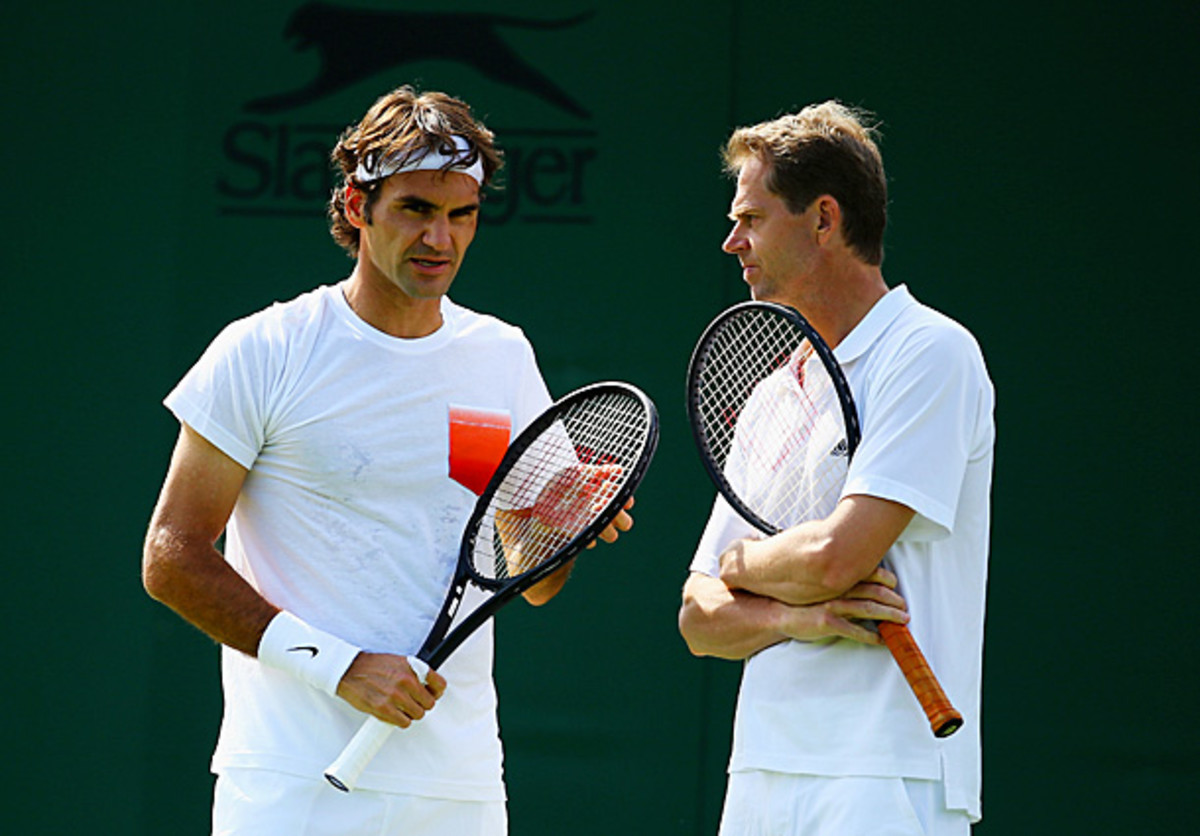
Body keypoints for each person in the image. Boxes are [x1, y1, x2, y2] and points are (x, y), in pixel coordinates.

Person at [142, 85, 633, 836]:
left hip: (457, 791)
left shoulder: (501, 357)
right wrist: (338, 666)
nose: (440, 238)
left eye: (460, 214)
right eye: (415, 209)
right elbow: (172, 557)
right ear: (355, 206)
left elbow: (533, 580)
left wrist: (563, 525)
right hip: (291, 788)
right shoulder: (266, 350)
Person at [678, 101, 995, 835]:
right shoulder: (768, 396)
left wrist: (740, 566)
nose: (732, 242)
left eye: (752, 219)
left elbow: (836, 556)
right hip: (761, 773)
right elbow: (697, 619)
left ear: (824, 220)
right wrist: (800, 614)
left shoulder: (930, 353)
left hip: (888, 775)